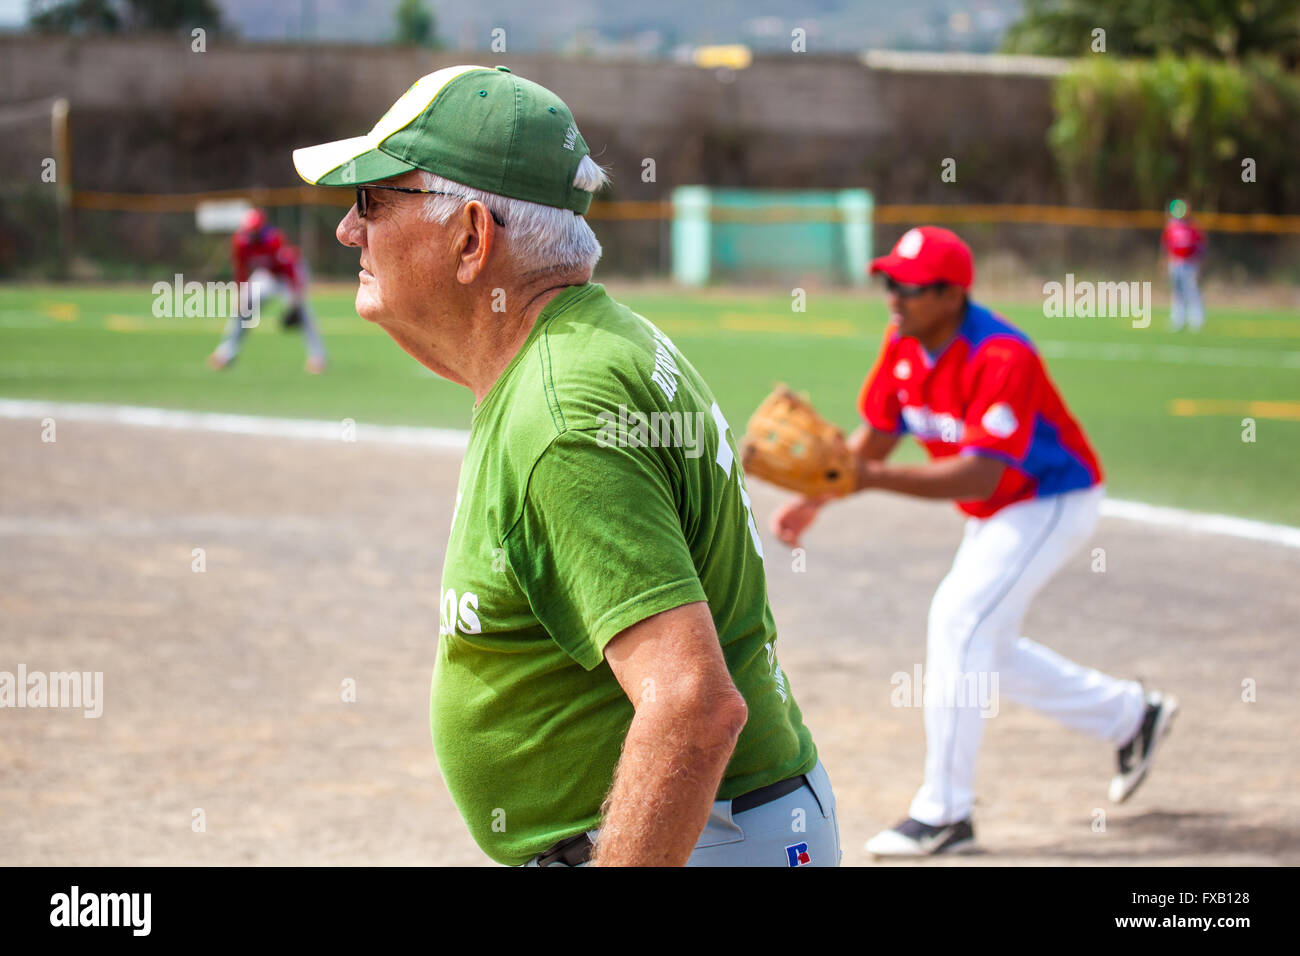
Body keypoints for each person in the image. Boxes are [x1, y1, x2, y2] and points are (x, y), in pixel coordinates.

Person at [291, 64, 838, 867]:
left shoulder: (563, 406)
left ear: (472, 237)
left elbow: (692, 704)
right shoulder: (583, 345)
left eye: (373, 199)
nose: (348, 229)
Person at [771, 226, 1177, 857]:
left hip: (1049, 500)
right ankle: (1130, 716)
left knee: (960, 620)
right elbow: (878, 432)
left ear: (951, 294)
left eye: (907, 286)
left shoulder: (1002, 355)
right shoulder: (903, 344)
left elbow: (978, 472)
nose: (893, 297)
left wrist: (869, 480)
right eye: (888, 281)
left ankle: (945, 813)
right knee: (985, 646)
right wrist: (818, 499)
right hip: (999, 510)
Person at [207, 208, 328, 373]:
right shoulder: (240, 241)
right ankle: (225, 354)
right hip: (266, 275)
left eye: (255, 231)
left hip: (289, 274)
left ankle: (318, 358)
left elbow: (289, 268)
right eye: (250, 231)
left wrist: (295, 298)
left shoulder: (273, 239)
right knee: (243, 310)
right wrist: (241, 294)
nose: (252, 234)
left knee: (303, 313)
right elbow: (241, 269)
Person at [1161, 199, 1206, 332]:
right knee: (1177, 292)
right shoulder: (1171, 227)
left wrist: (1199, 262)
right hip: (1175, 263)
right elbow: (1165, 246)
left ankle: (1196, 320)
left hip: (1190, 263)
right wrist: (1164, 261)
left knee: (1192, 291)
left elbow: (1201, 246)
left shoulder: (1193, 226)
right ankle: (1177, 319)